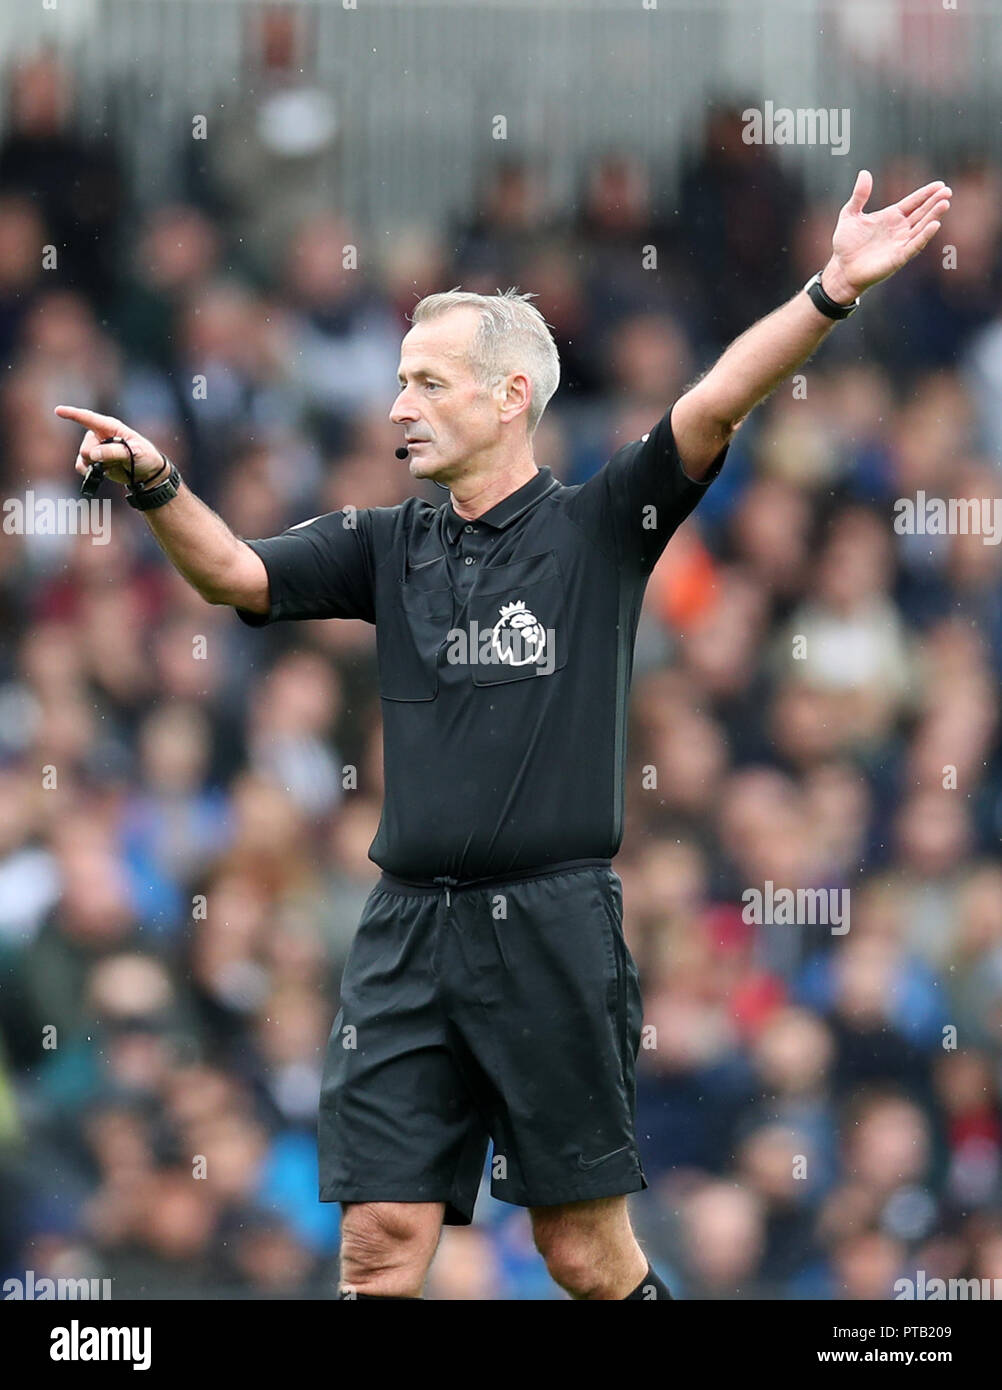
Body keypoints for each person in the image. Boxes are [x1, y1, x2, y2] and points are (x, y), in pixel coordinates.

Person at [56, 169, 951, 1300]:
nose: (398, 408)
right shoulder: (384, 542)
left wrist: (827, 291)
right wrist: (158, 485)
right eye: (397, 382)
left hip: (551, 929)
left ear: (509, 394)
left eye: (428, 383)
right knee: (379, 1242)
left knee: (581, 1254)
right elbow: (233, 571)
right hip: (404, 930)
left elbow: (719, 397)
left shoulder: (597, 527)